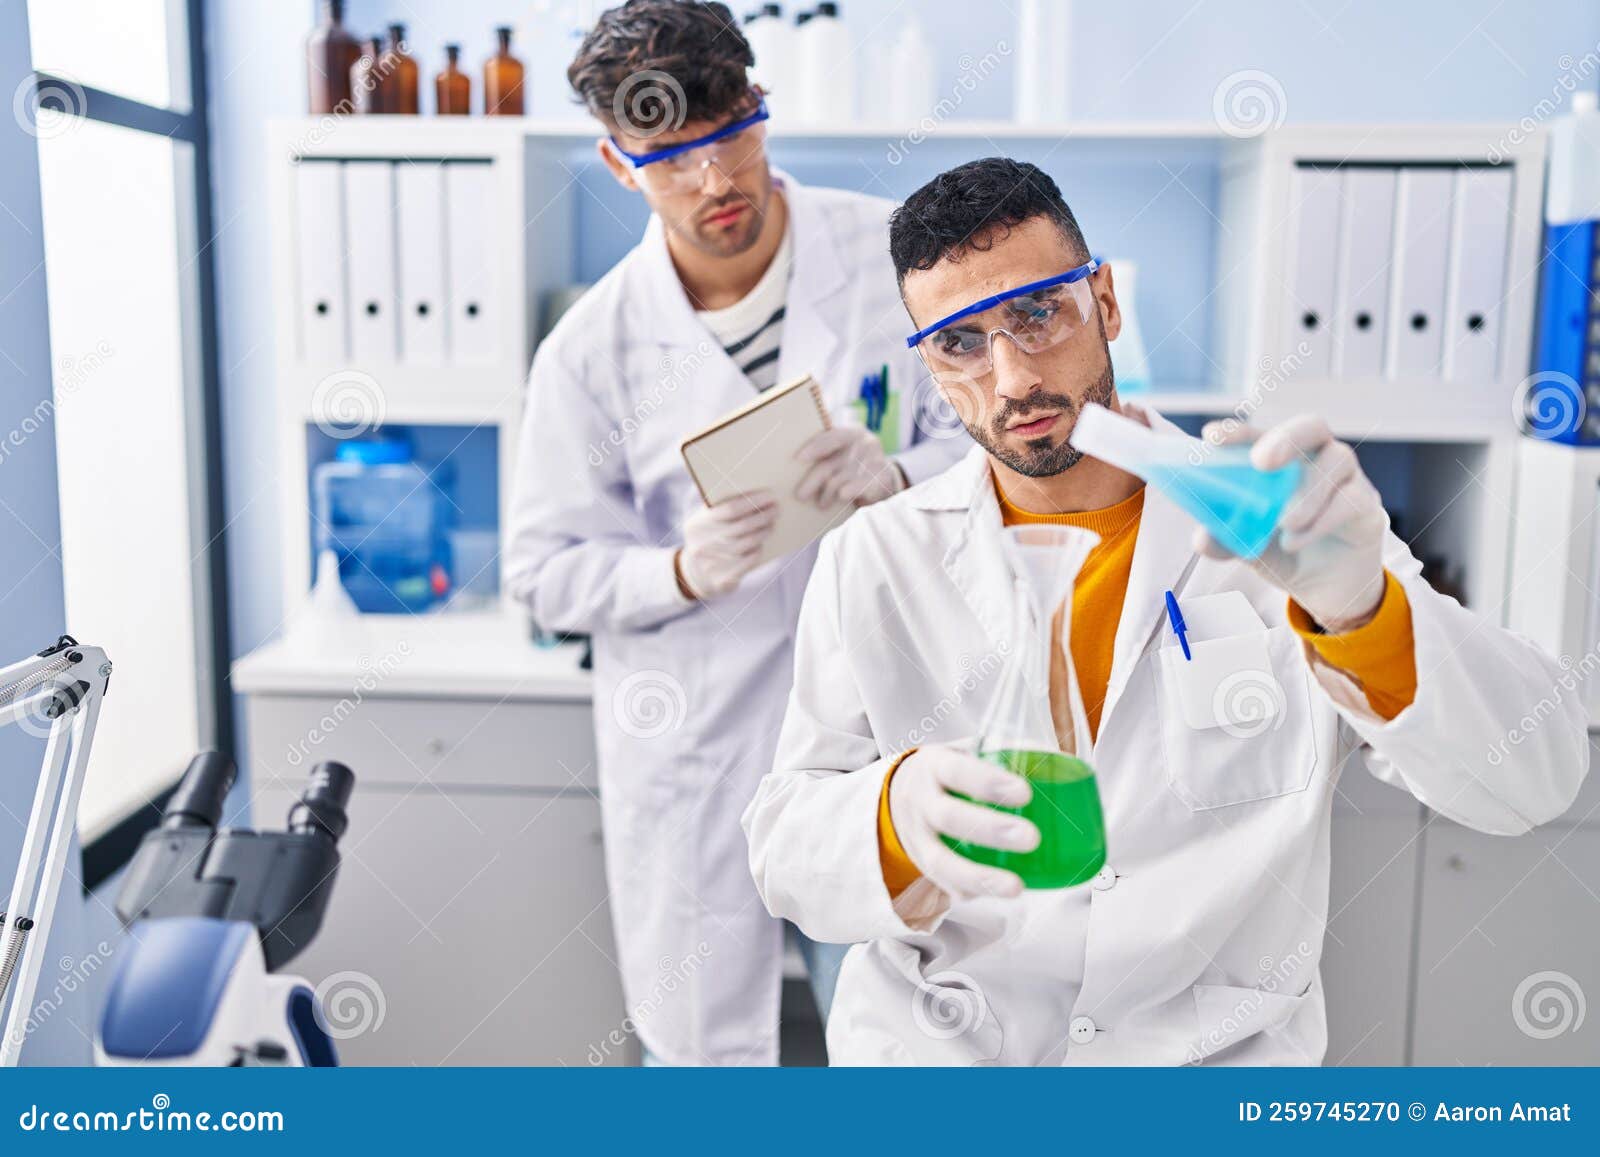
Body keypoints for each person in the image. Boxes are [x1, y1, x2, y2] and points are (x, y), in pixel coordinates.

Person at [742, 157, 1591, 1065]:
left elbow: (1534, 779)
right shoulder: (879, 554)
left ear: (1103, 301)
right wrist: (892, 814)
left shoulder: (1285, 529)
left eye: (1037, 313)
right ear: (929, 367)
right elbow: (785, 848)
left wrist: (1359, 608)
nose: (1011, 376)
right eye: (959, 343)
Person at [504, 1, 966, 1067]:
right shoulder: (591, 349)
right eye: (673, 161)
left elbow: (995, 443)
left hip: (884, 715)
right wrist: (677, 568)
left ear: (759, 107)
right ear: (619, 167)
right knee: (709, 1051)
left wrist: (898, 472)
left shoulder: (891, 252)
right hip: (699, 736)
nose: (716, 183)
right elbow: (542, 569)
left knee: (909, 1032)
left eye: (732, 137)